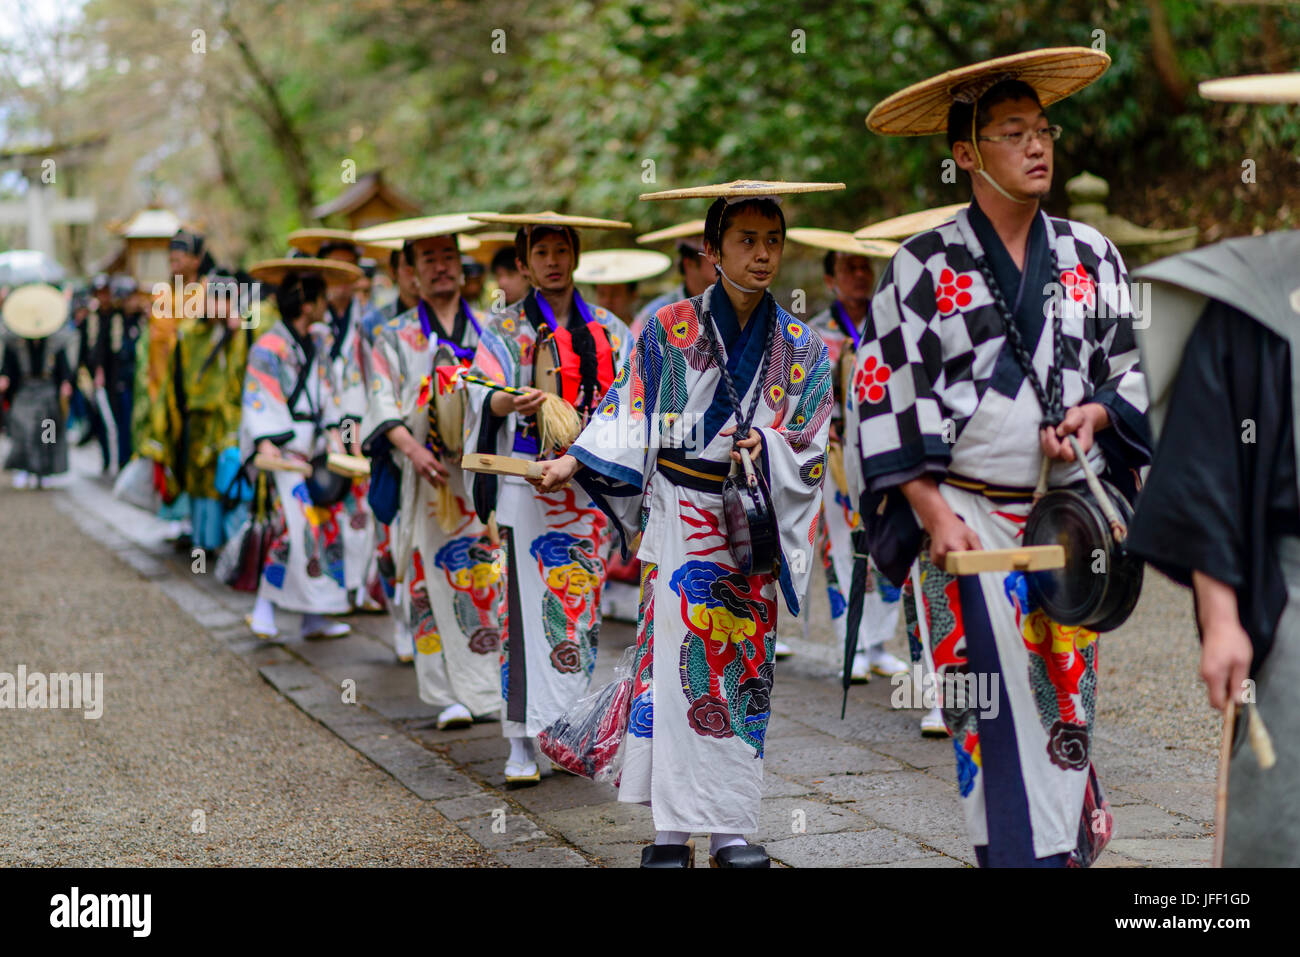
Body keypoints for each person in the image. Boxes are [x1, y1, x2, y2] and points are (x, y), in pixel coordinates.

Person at [848, 49, 1150, 867]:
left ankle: (1063, 839)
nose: (1037, 145)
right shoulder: (922, 265)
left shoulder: (1093, 257)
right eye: (1013, 132)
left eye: (1043, 129)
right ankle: (1025, 858)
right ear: (967, 154)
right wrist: (932, 510)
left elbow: (1129, 372)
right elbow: (880, 396)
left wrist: (1090, 416)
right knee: (990, 714)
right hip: (966, 518)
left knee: (1065, 708)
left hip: (1066, 518)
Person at [539, 181, 839, 867]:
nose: (763, 256)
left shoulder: (803, 345)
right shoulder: (667, 329)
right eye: (746, 241)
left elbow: (811, 436)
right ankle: (670, 833)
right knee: (674, 672)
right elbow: (627, 412)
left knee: (741, 665)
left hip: (750, 519)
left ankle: (731, 826)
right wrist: (573, 460)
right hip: (679, 514)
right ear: (710, 251)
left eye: (773, 241)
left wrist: (775, 451)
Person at [1126, 73, 1300, 866]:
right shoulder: (1254, 299)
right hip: (1291, 586)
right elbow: (1205, 468)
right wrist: (1222, 618)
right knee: (1280, 811)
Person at [462, 210, 632, 784]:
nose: (553, 262)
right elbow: (477, 390)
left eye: (562, 251)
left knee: (577, 609)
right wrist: (511, 403)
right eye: (541, 254)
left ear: (576, 255)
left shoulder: (611, 329)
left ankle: (563, 729)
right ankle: (519, 741)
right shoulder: (504, 329)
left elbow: (632, 401)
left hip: (584, 486)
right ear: (525, 264)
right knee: (521, 610)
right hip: (524, 484)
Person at [360, 214, 504, 728]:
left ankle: (487, 687)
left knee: (486, 576)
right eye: (428, 260)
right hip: (424, 480)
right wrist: (412, 450)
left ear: (462, 268)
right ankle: (446, 693)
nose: (441, 268)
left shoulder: (492, 328)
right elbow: (379, 403)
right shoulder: (392, 336)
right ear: (412, 274)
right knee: (427, 579)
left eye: (448, 257)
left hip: (480, 474)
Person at [794, 231, 911, 686]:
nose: (860, 275)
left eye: (865, 266)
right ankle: (852, 643)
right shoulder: (816, 332)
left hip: (885, 450)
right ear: (830, 278)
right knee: (841, 545)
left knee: (887, 541)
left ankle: (880, 644)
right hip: (837, 455)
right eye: (848, 267)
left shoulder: (891, 324)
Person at [240, 257, 363, 641]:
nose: (328, 304)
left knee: (327, 529)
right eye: (322, 297)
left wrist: (336, 438)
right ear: (307, 304)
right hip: (283, 450)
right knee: (291, 530)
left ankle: (315, 615)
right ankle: (264, 605)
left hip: (314, 449)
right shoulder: (268, 346)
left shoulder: (320, 340)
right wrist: (266, 441)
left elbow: (331, 392)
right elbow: (259, 397)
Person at [291, 231, 384, 612]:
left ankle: (362, 587)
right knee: (326, 508)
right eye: (335, 272)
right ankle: (330, 592)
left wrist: (355, 434)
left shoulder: (370, 320)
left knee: (361, 511)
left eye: (350, 270)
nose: (343, 281)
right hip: (321, 427)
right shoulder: (312, 322)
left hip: (359, 422)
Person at [139, 271, 248, 552]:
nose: (219, 306)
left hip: (231, 422)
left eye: (226, 300)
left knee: (227, 480)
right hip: (196, 420)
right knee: (198, 483)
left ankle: (230, 547)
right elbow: (174, 382)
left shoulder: (244, 333)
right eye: (215, 298)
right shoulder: (188, 333)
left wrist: (239, 330)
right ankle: (203, 543)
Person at [1, 284, 76, 488]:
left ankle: (46, 468)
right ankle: (25, 468)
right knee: (23, 428)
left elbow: (63, 368)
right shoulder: (15, 342)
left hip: (47, 391)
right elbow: (8, 367)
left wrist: (66, 383)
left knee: (47, 431)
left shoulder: (54, 341)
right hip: (25, 391)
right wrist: (5, 378)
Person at [632, 221, 713, 335]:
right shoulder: (655, 316)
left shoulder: (737, 305)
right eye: (711, 254)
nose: (721, 261)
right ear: (689, 263)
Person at [489, 245, 530, 310]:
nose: (502, 283)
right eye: (498, 276)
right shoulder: (494, 315)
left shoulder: (543, 313)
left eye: (510, 275)